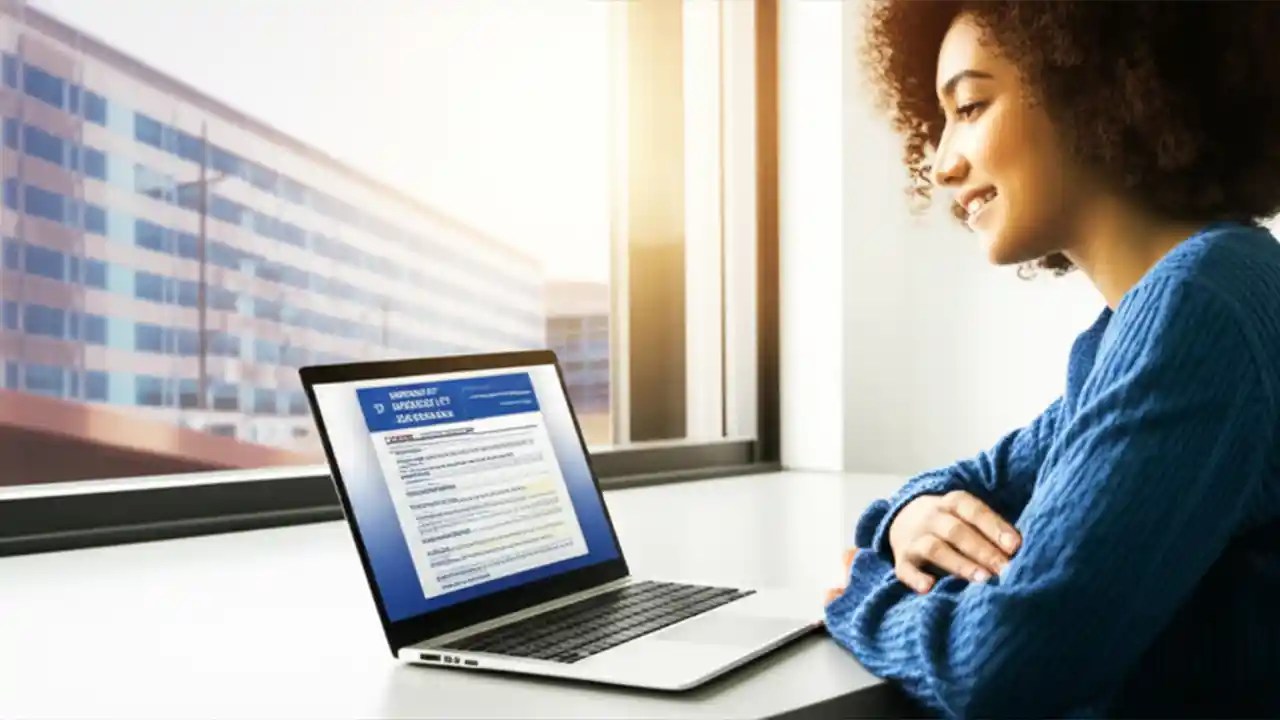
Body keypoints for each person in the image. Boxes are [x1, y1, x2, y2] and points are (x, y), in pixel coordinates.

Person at [822, 2, 1280, 717]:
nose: (942, 164)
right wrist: (905, 518)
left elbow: (997, 665)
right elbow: (979, 480)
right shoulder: (1159, 313)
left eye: (969, 106)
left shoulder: (1200, 308)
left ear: (1091, 80)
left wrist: (861, 595)